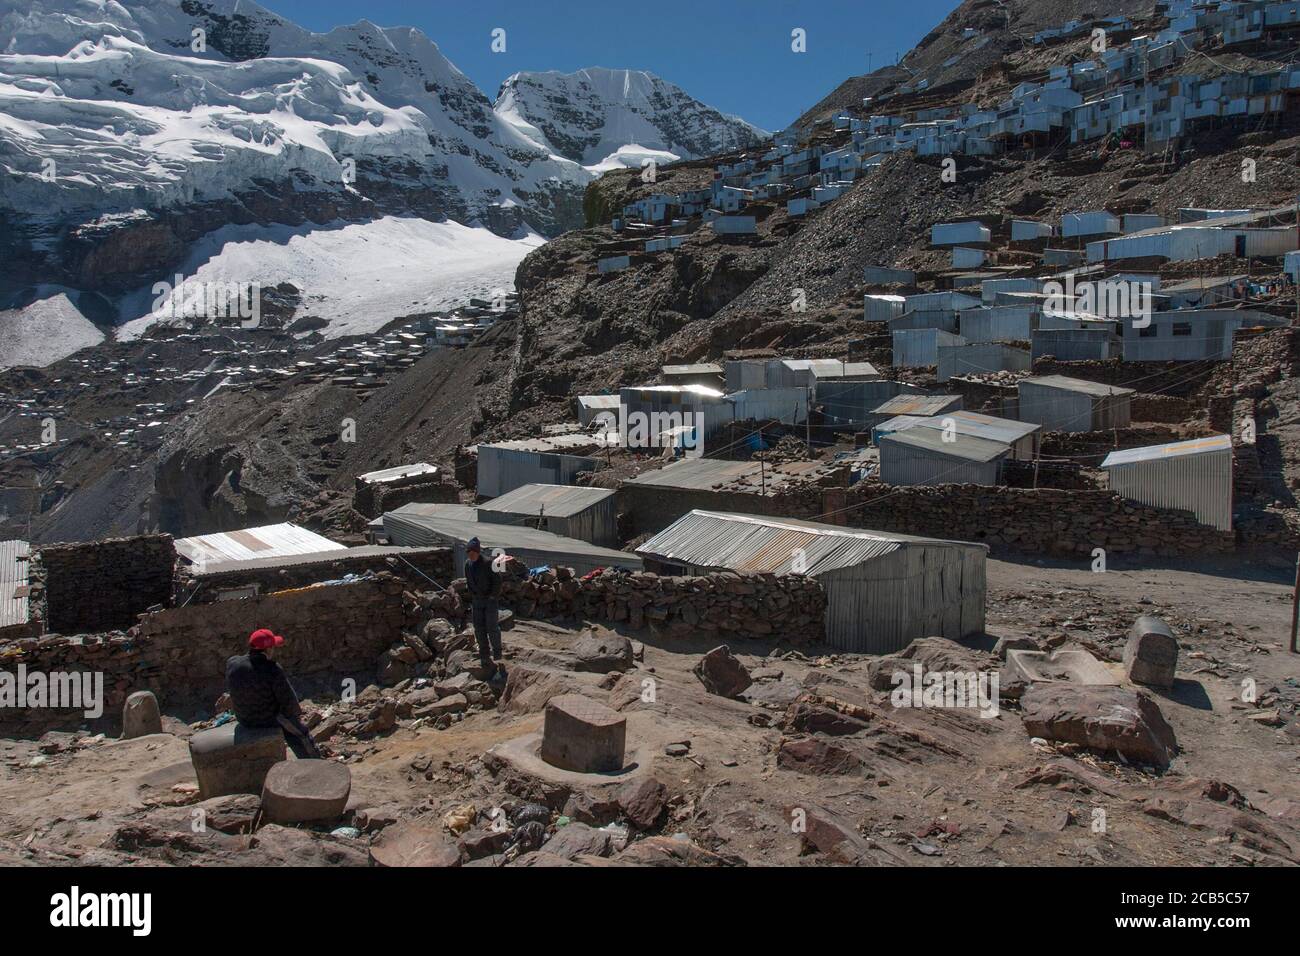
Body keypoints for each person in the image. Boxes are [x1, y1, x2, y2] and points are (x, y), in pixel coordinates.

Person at [225, 628, 320, 759]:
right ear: (268, 649)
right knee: (299, 734)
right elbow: (287, 698)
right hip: (266, 719)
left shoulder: (233, 663)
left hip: (243, 718)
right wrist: (295, 717)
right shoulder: (271, 668)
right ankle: (315, 763)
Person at [464, 537, 503, 677]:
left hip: (489, 601)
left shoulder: (488, 563)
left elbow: (497, 581)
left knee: (492, 627)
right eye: (468, 552)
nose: (470, 554)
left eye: (473, 552)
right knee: (479, 628)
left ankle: (497, 652)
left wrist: (492, 596)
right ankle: (484, 653)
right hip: (477, 601)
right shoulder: (467, 564)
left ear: (478, 552)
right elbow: (468, 580)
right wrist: (472, 593)